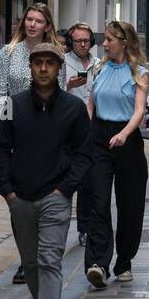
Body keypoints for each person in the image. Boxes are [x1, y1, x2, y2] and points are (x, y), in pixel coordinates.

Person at [0, 43, 92, 299]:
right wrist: (7, 190)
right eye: (38, 63)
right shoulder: (12, 103)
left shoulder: (74, 108)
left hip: (55, 196)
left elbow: (84, 153)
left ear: (59, 68)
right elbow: (1, 147)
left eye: (51, 63)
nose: (44, 69)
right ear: (31, 67)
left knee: (50, 259)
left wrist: (65, 189)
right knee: (32, 263)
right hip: (19, 197)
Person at [0, 3, 65, 284]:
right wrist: (2, 125)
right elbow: (1, 91)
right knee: (18, 200)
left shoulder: (55, 54)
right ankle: (26, 257)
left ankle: (44, 254)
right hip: (17, 131)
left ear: (47, 25)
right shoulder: (8, 53)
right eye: (29, 19)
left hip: (47, 129)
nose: (32, 24)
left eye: (38, 20)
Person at [85, 21, 149, 288]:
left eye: (110, 39)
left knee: (130, 206)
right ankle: (98, 263)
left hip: (128, 140)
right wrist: (83, 134)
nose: (104, 43)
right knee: (97, 201)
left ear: (124, 42)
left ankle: (124, 262)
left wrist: (124, 133)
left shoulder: (140, 73)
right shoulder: (98, 68)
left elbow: (139, 110)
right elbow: (90, 105)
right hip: (99, 139)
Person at [64, 23, 99, 246]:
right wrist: (68, 86)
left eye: (86, 40)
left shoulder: (98, 64)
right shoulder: (62, 62)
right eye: (78, 41)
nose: (83, 44)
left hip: (92, 128)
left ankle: (85, 228)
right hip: (68, 128)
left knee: (88, 180)